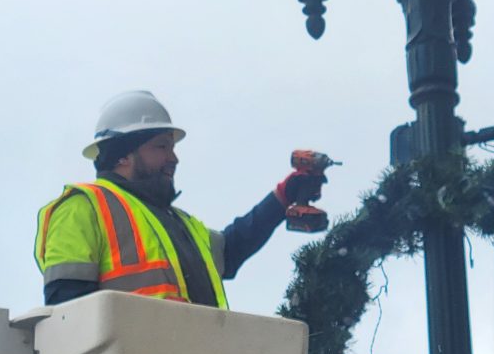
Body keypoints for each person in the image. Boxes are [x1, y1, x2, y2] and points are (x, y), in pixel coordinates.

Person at [34, 91, 327, 308]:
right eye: (161, 147)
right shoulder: (82, 208)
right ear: (122, 155)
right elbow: (67, 313)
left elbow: (230, 251)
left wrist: (282, 196)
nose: (173, 158)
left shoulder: (176, 222)